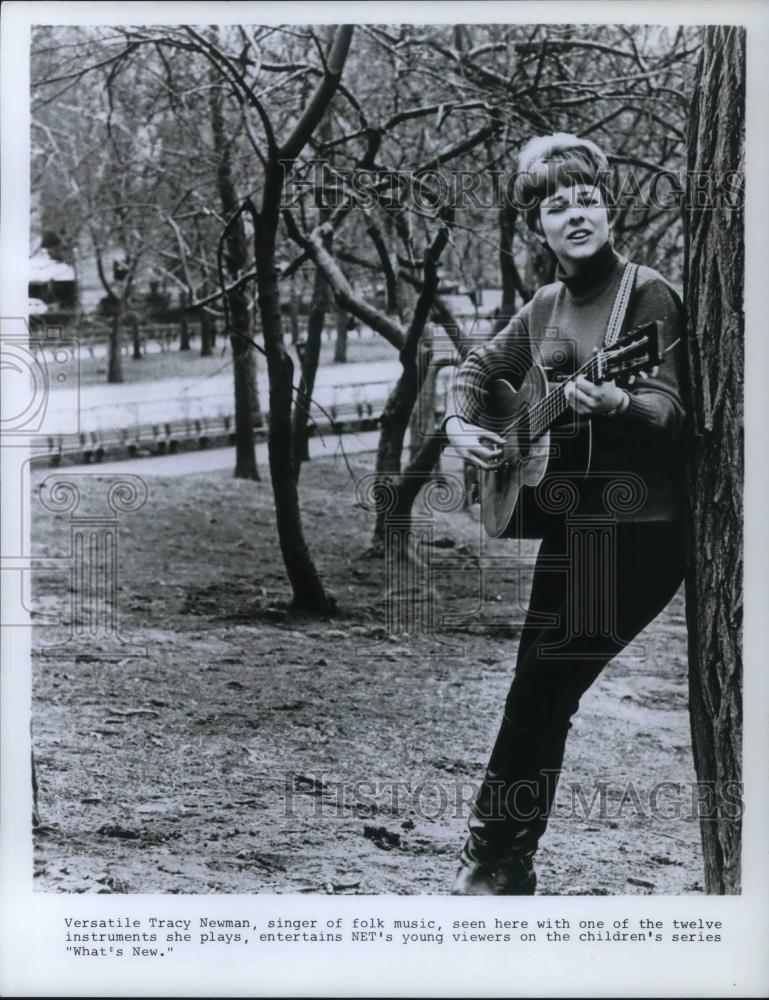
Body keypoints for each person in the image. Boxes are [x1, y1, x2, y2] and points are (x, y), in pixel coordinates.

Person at [443, 133, 688, 895]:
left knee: (543, 688)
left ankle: (493, 861)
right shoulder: (547, 303)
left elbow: (671, 409)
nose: (576, 214)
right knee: (534, 687)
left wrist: (616, 398)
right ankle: (498, 862)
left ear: (607, 208)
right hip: (572, 527)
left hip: (641, 533)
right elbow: (479, 369)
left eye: (587, 199)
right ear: (535, 226)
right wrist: (460, 426)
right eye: (557, 205)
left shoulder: (644, 295)